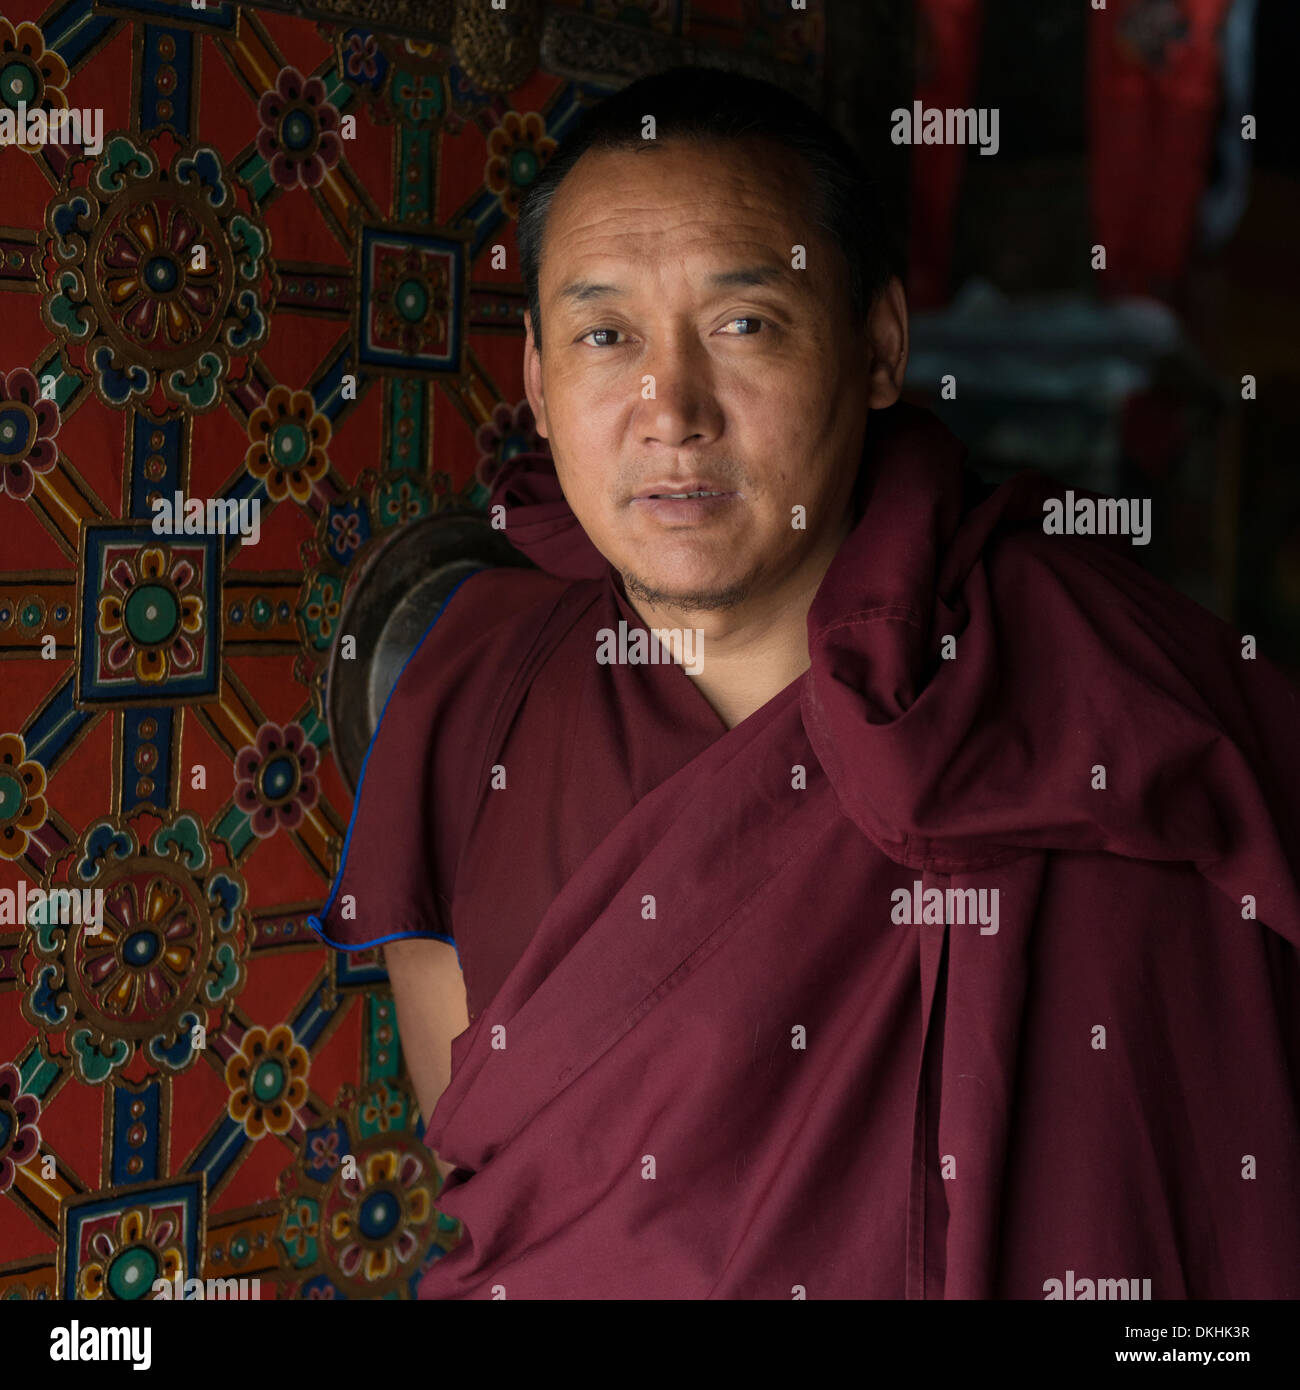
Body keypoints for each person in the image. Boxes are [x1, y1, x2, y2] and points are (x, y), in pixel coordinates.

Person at [309, 66, 1300, 1299]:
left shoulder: (1091, 673)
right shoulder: (474, 692)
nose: (670, 411)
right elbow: (507, 1196)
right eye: (604, 335)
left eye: (744, 324)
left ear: (878, 345)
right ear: (537, 384)